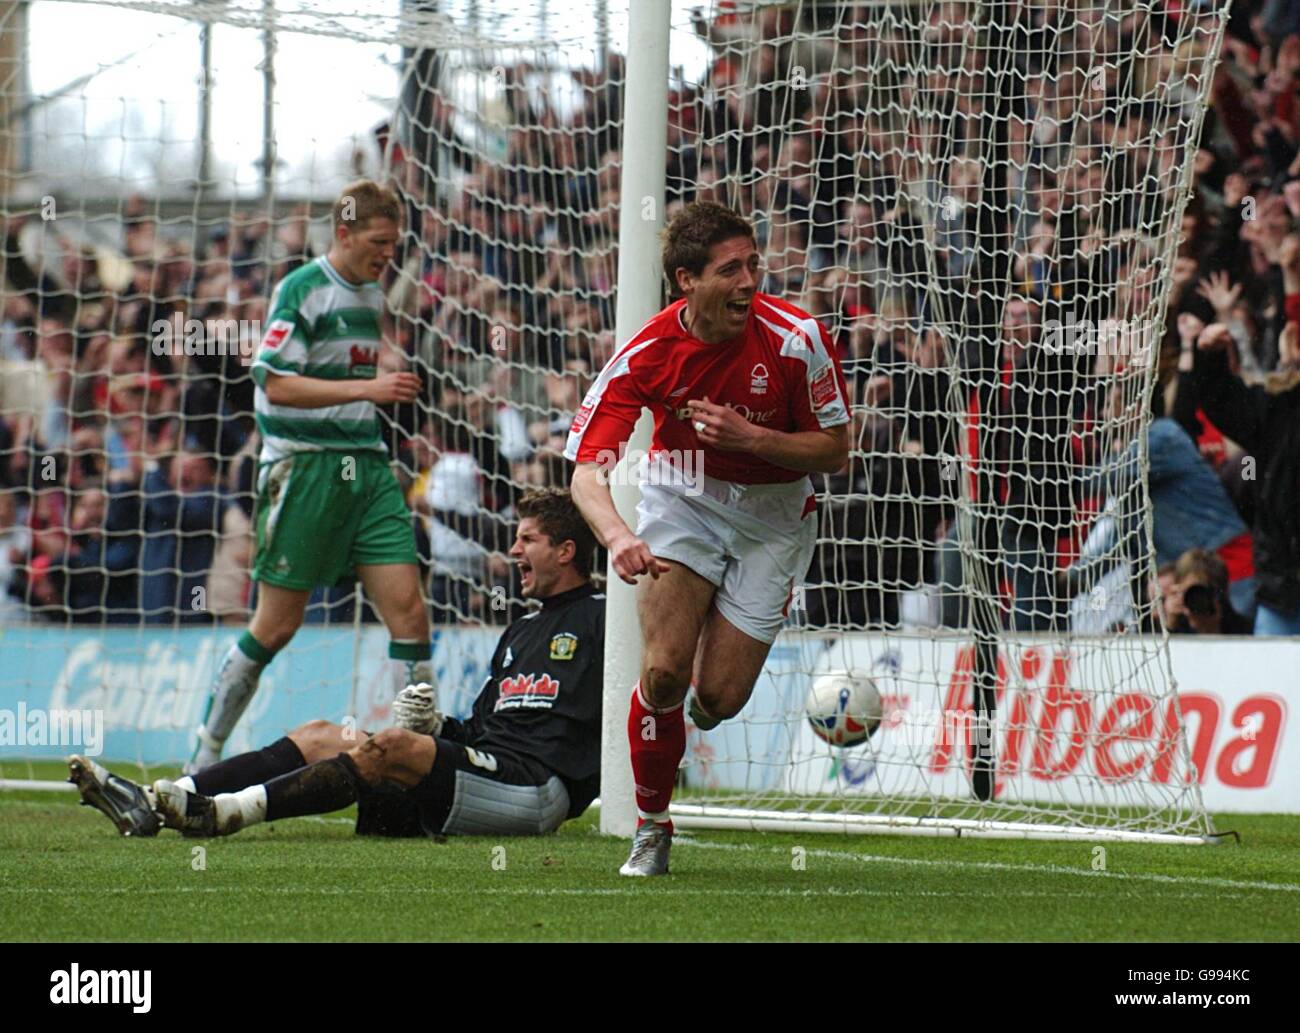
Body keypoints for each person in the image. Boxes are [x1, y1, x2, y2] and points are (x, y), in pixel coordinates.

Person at [565, 201, 850, 876]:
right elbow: (585, 472)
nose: (751, 281)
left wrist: (754, 438)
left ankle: (692, 707)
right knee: (662, 671)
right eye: (731, 269)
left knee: (717, 700)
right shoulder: (648, 354)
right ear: (685, 281)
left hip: (775, 518)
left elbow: (837, 450)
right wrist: (617, 536)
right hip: (682, 496)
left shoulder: (796, 338)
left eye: (754, 263)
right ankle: (653, 824)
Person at [69, 488, 605, 840]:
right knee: (324, 732)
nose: (513, 551)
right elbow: (484, 731)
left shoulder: (604, 621)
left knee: (392, 745)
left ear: (566, 551)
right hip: (483, 777)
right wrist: (437, 727)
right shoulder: (521, 630)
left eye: (527, 540)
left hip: (537, 790)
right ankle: (158, 799)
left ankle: (228, 813)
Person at [186, 180, 430, 773]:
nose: (386, 254)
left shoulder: (372, 294)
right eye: (377, 241)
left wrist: (368, 394)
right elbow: (272, 380)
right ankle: (205, 751)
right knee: (277, 625)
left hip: (367, 469)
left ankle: (421, 757)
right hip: (305, 468)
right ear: (343, 234)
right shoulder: (301, 288)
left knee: (411, 613)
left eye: (394, 243)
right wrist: (369, 388)